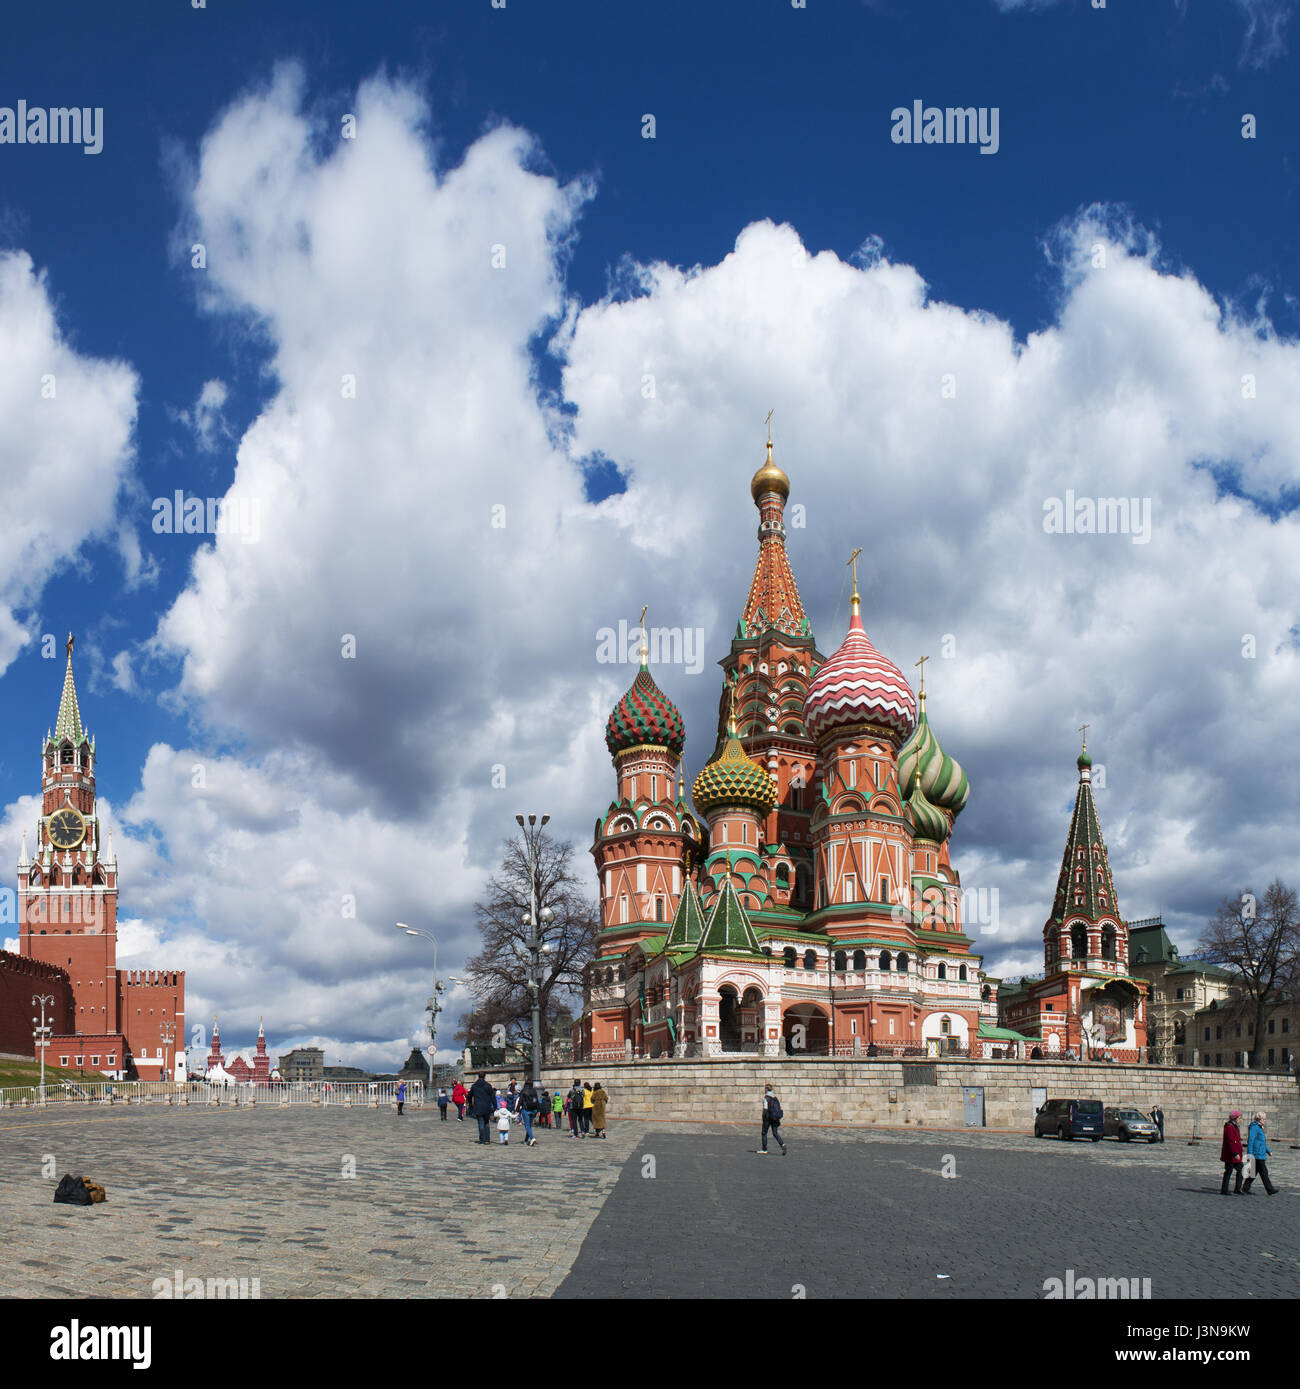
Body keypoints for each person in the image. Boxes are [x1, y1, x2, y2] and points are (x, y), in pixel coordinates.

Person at [1243, 1112, 1278, 1195]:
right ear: (1260, 1119)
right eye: (1264, 1119)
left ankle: (1245, 1188)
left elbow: (1262, 1142)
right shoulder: (1255, 1127)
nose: (1265, 1121)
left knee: (1254, 1172)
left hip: (1260, 1153)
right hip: (1257, 1154)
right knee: (1264, 1172)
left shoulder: (1259, 1127)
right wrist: (1250, 1153)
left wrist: (1268, 1151)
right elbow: (1251, 1140)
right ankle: (1270, 1189)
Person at [1220, 1109, 1244, 1194]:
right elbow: (1231, 1141)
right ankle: (1225, 1189)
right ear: (1235, 1118)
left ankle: (1237, 1188)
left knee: (1239, 1169)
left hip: (1234, 1154)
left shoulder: (1234, 1126)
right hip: (1231, 1154)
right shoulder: (1230, 1127)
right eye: (1239, 1118)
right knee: (1229, 1171)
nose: (1240, 1120)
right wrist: (1235, 1153)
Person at [759, 1084, 787, 1156]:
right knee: (775, 1133)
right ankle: (782, 1144)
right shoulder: (775, 1097)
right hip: (775, 1118)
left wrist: (763, 1117)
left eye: (765, 1089)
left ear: (766, 1089)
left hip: (768, 1118)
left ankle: (764, 1149)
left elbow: (765, 1109)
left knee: (764, 1133)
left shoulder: (766, 1098)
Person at [469, 1073, 497, 1145]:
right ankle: (487, 1139)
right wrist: (495, 1106)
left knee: (480, 1123)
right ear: (484, 1076)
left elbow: (469, 1096)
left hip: (478, 1106)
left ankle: (482, 1139)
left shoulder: (474, 1086)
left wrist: (470, 1104)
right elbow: (492, 1097)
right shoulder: (488, 1085)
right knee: (486, 1123)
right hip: (486, 1106)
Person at [519, 1081, 540, 1146]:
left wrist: (517, 1110)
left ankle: (532, 1138)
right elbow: (537, 1101)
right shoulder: (534, 1091)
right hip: (533, 1110)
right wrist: (538, 1110)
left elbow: (520, 1101)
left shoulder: (523, 1091)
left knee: (527, 1126)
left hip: (525, 1109)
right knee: (529, 1126)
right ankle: (526, 1140)